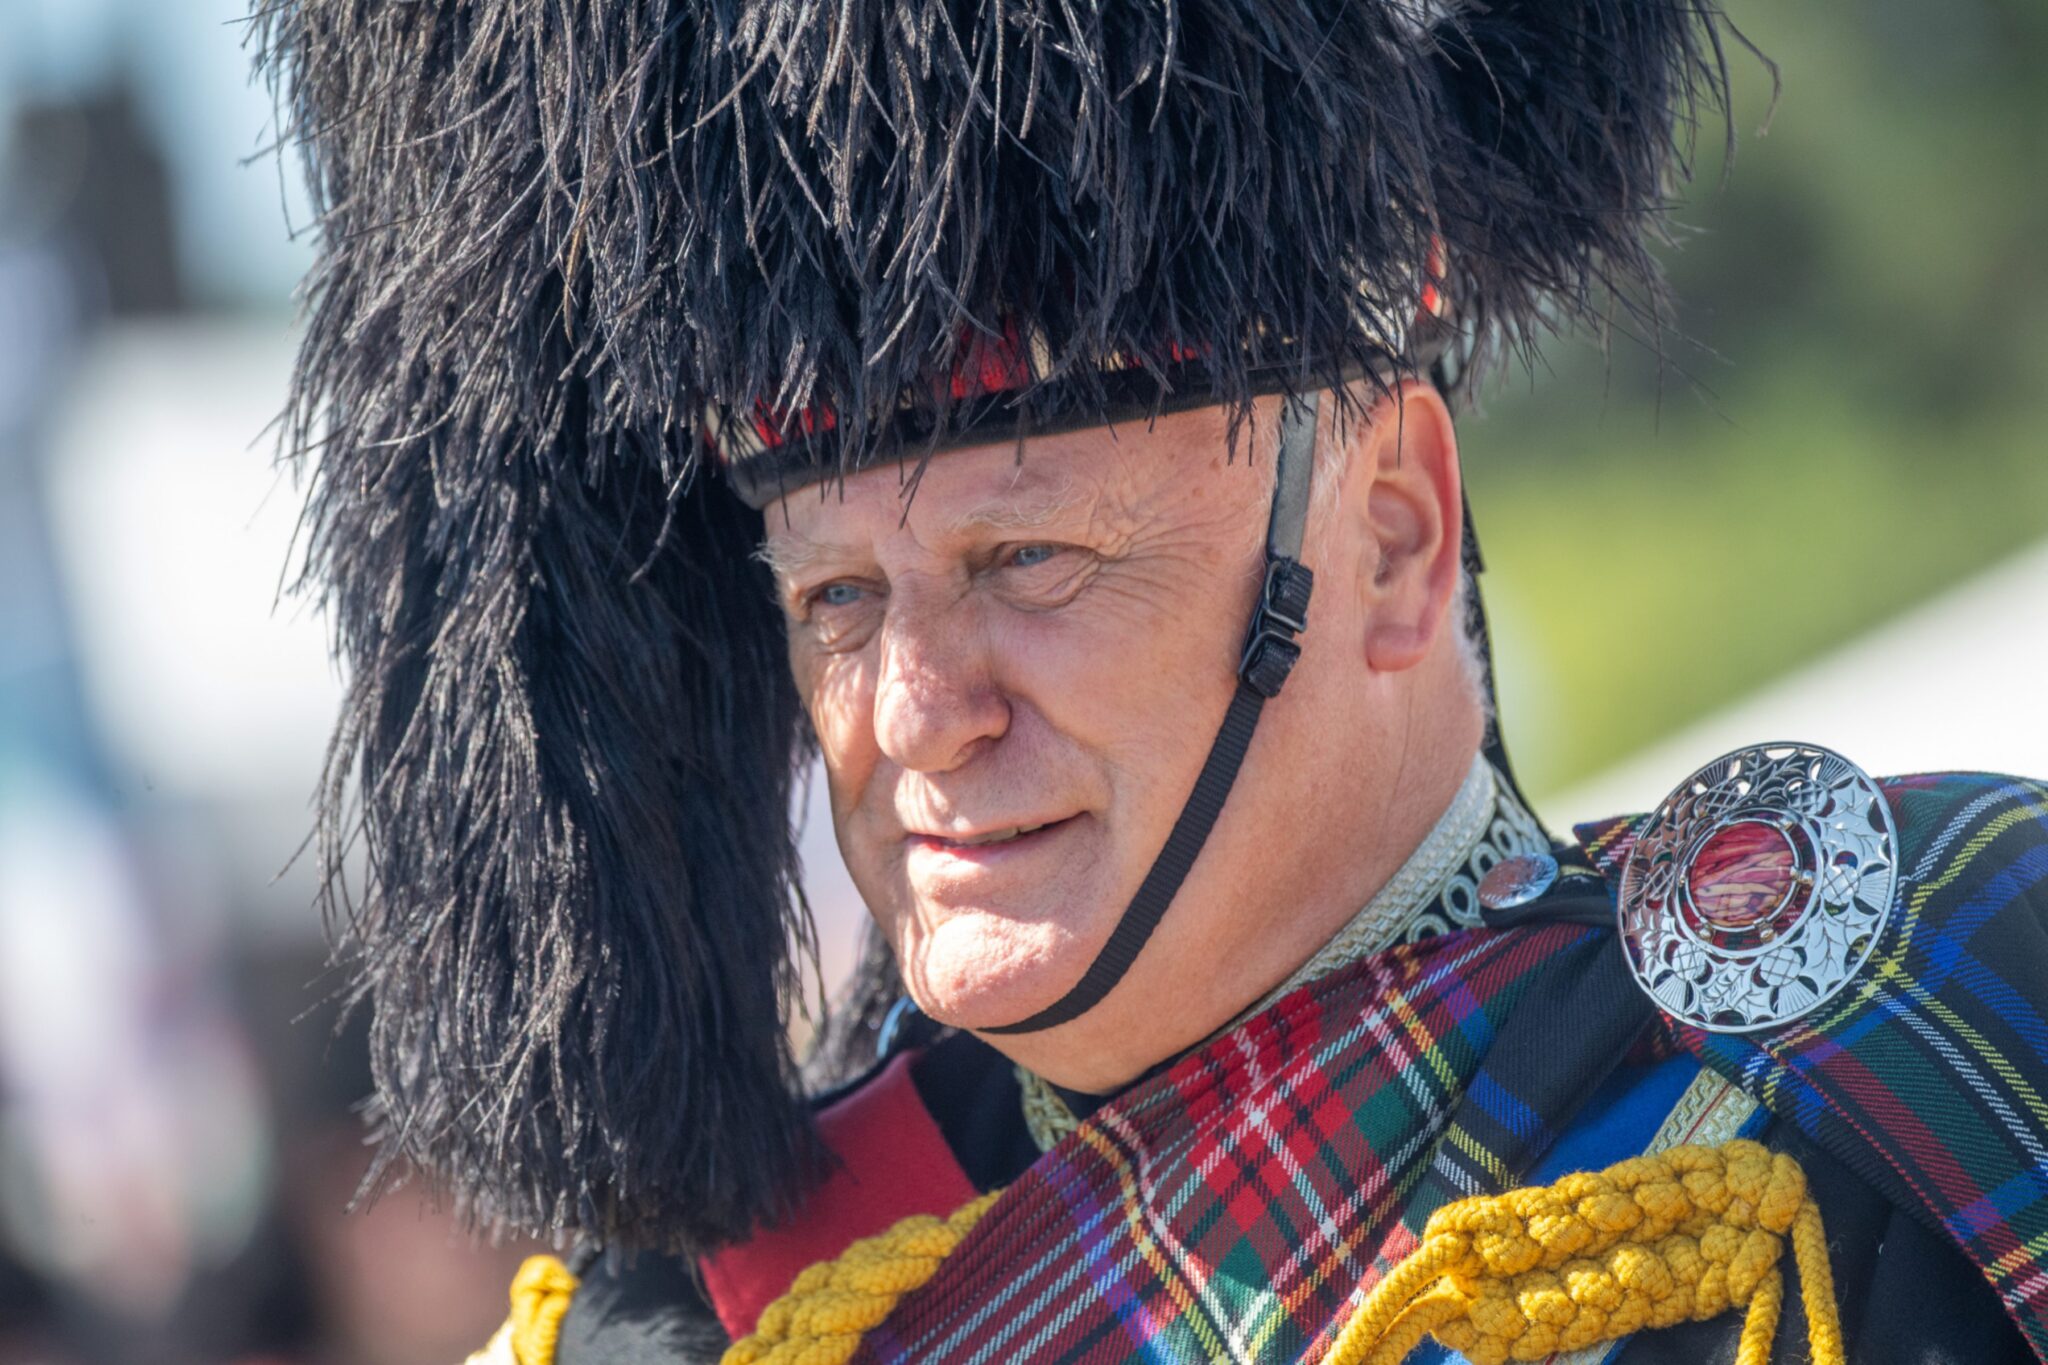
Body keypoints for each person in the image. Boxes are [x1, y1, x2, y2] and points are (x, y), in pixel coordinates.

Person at [253, 1, 2048, 1361]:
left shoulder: (1897, 1086)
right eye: (837, 597)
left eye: (1029, 559)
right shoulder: (682, 1327)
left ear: (1399, 535)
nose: (913, 707)